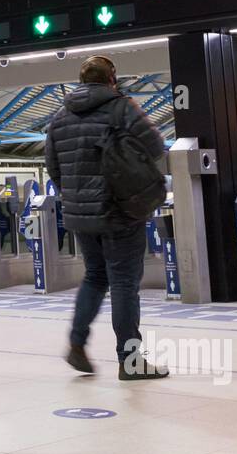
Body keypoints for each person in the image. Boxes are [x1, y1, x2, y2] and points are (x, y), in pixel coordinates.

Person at [45, 55, 168, 381]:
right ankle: (130, 361)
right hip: (120, 209)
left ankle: (76, 342)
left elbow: (53, 167)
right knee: (124, 284)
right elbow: (155, 147)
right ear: (112, 79)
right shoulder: (123, 107)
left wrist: (76, 197)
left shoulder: (60, 116)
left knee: (95, 277)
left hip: (81, 216)